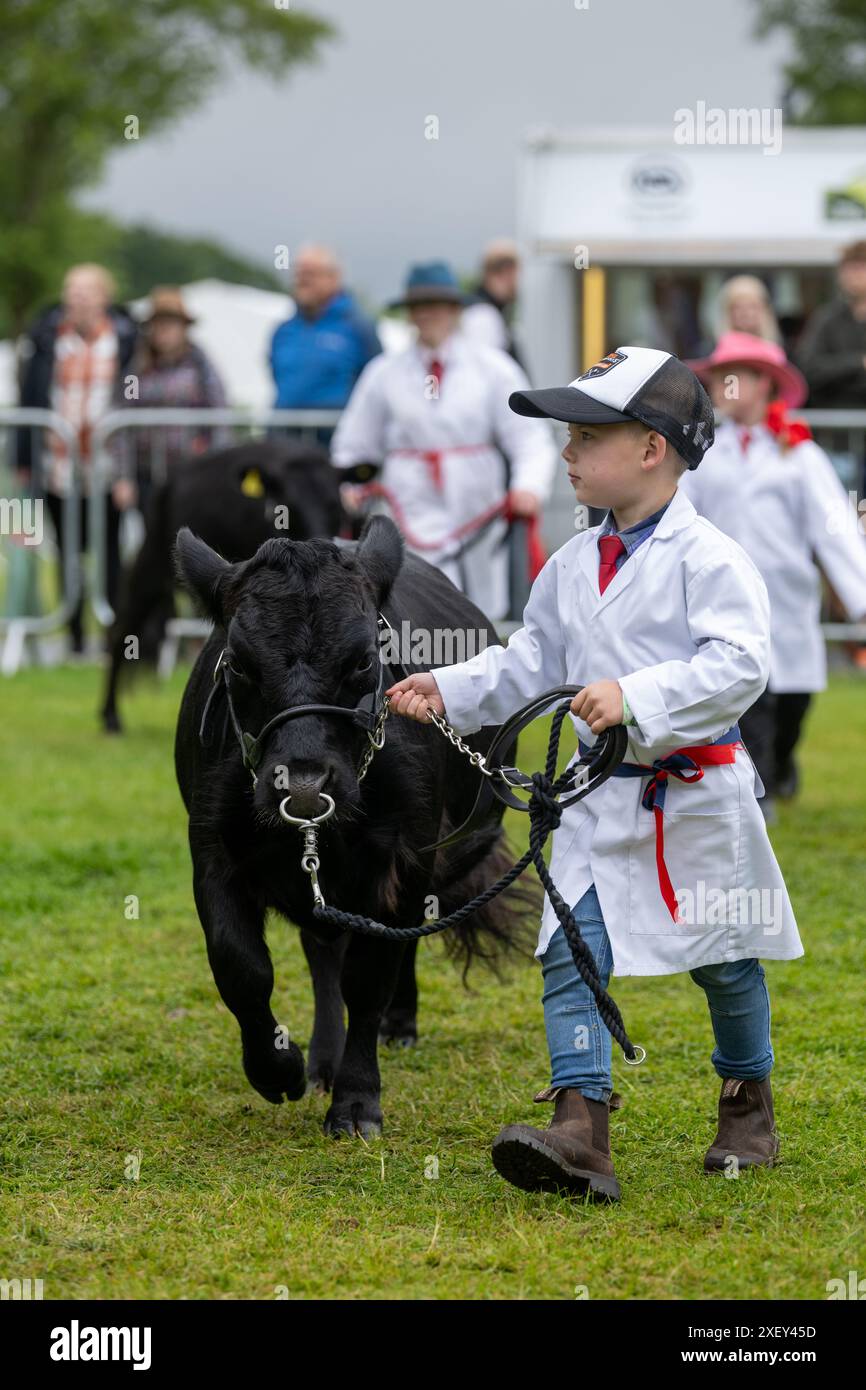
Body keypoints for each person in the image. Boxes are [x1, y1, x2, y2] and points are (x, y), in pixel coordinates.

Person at [384, 345, 802, 1202]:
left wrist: (636, 694)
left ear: (651, 448)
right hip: (590, 801)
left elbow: (741, 664)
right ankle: (581, 1125)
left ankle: (745, 1101)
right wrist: (448, 688)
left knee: (724, 957)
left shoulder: (710, 558)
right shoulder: (573, 560)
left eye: (584, 437)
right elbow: (531, 658)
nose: (566, 454)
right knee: (571, 949)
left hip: (693, 799)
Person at [682, 331, 866, 815]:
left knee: (793, 700)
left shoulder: (798, 454)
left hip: (787, 597)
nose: (726, 385)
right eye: (720, 376)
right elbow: (683, 518)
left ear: (764, 384)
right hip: (725, 596)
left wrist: (861, 599)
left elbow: (835, 528)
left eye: (736, 375)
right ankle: (756, 786)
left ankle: (782, 763)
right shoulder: (705, 455)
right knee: (749, 695)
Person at [331, 261, 557, 620]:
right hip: (408, 505)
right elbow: (354, 443)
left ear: (455, 310)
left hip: (478, 510)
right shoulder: (383, 373)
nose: (428, 314)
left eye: (437, 305)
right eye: (419, 306)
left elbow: (529, 437)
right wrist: (353, 484)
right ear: (409, 314)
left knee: (481, 603)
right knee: (408, 597)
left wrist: (529, 487)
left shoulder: (494, 368)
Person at [16, 263, 138, 653]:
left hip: (107, 468)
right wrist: (23, 456)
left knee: (109, 553)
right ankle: (73, 636)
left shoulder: (126, 340)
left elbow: (137, 404)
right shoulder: (45, 339)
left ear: (104, 295)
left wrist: (129, 468)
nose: (77, 297)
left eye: (86, 290)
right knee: (68, 551)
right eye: (71, 289)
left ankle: (114, 637)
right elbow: (29, 399)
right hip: (58, 467)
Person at [113, 286, 228, 517]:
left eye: (171, 323)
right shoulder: (137, 368)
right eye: (159, 323)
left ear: (184, 327)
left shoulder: (199, 364)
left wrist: (216, 469)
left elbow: (219, 414)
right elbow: (122, 421)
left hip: (191, 472)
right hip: (146, 473)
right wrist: (123, 477)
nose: (164, 330)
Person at [269, 245, 381, 444]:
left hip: (337, 442)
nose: (302, 280)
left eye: (311, 273)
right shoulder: (283, 331)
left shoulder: (358, 327)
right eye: (298, 273)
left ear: (334, 278)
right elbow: (274, 373)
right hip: (285, 442)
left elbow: (376, 378)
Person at [797, 240, 866, 411]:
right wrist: (858, 363)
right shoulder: (826, 319)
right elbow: (809, 368)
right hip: (837, 426)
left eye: (860, 267)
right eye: (848, 268)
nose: (853, 275)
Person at [461, 238, 525, 367]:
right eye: (518, 273)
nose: (520, 282)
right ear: (507, 272)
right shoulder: (481, 316)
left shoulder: (487, 310)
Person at [717, 275, 782, 344]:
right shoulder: (715, 350)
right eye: (738, 307)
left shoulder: (775, 350)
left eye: (752, 306)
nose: (745, 313)